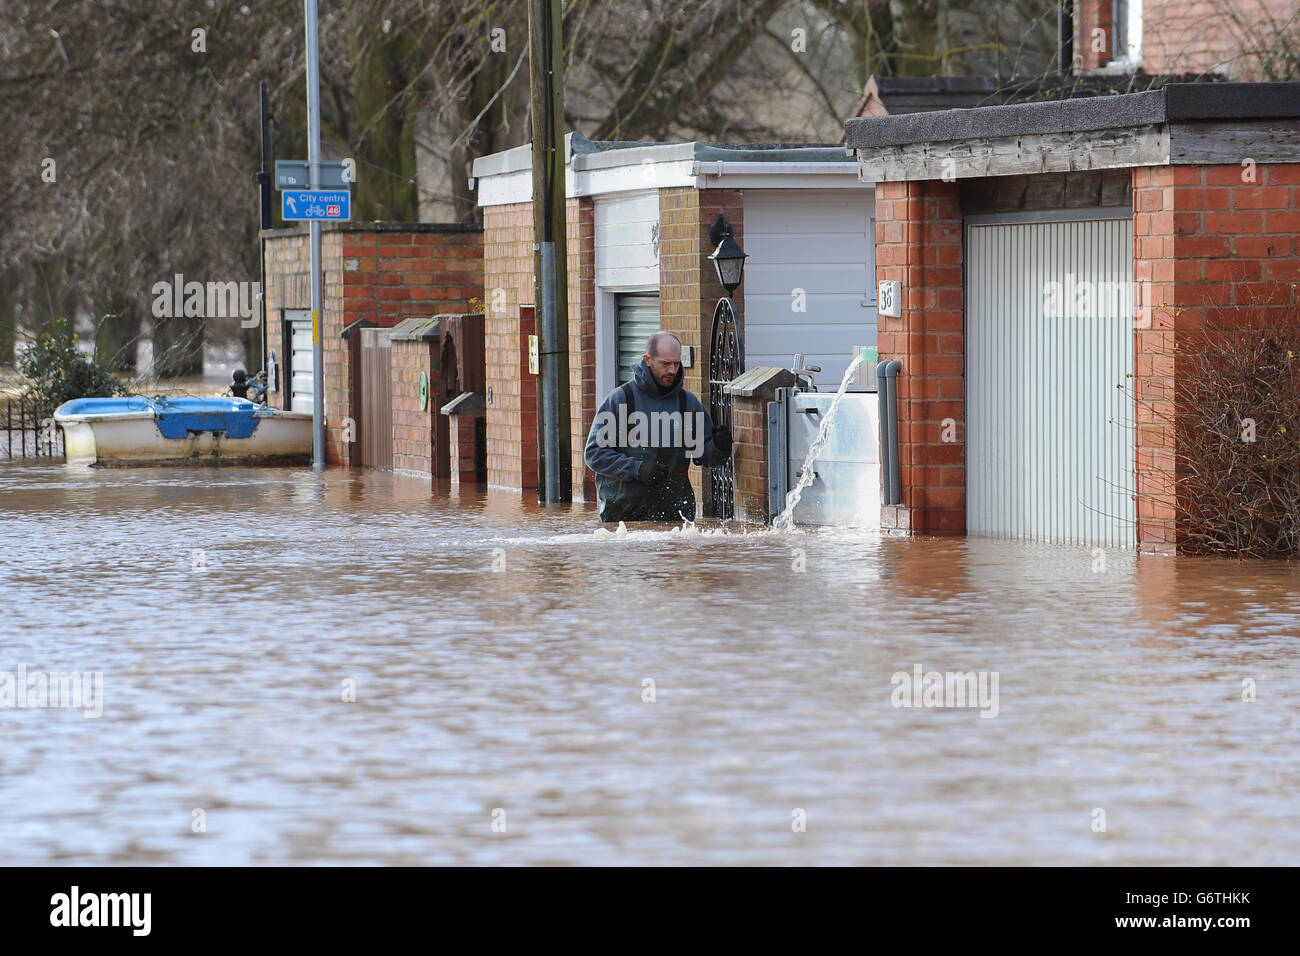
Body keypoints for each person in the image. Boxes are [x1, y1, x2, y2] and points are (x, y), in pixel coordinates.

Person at [584, 331, 732, 522]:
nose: (672, 370)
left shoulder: (687, 404)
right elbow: (595, 454)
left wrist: (720, 446)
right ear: (647, 360)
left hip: (675, 516)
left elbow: (705, 456)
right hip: (623, 519)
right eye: (665, 363)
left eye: (676, 364)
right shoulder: (621, 400)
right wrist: (637, 469)